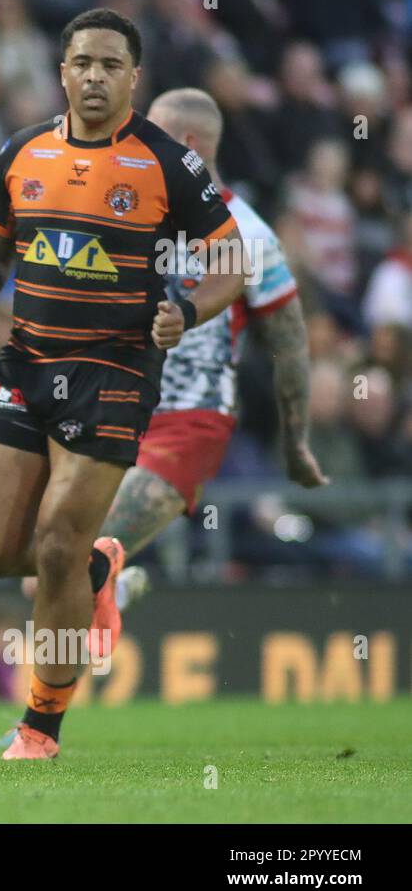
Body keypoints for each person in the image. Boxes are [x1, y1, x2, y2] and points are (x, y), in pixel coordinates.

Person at [0, 9, 251, 760]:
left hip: (113, 371)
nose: (95, 77)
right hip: (26, 364)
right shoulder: (23, 150)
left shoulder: (167, 162)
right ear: (62, 72)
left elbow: (233, 262)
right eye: (83, 63)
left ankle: (40, 728)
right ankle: (97, 564)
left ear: (134, 77)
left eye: (111, 65)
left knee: (55, 542)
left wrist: (185, 310)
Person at [65, 87, 326, 611]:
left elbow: (290, 343)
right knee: (45, 574)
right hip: (113, 409)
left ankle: (106, 582)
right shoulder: (128, 210)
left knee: (76, 559)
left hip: (187, 421)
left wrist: (296, 441)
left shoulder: (249, 235)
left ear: (188, 144)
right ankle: (116, 584)